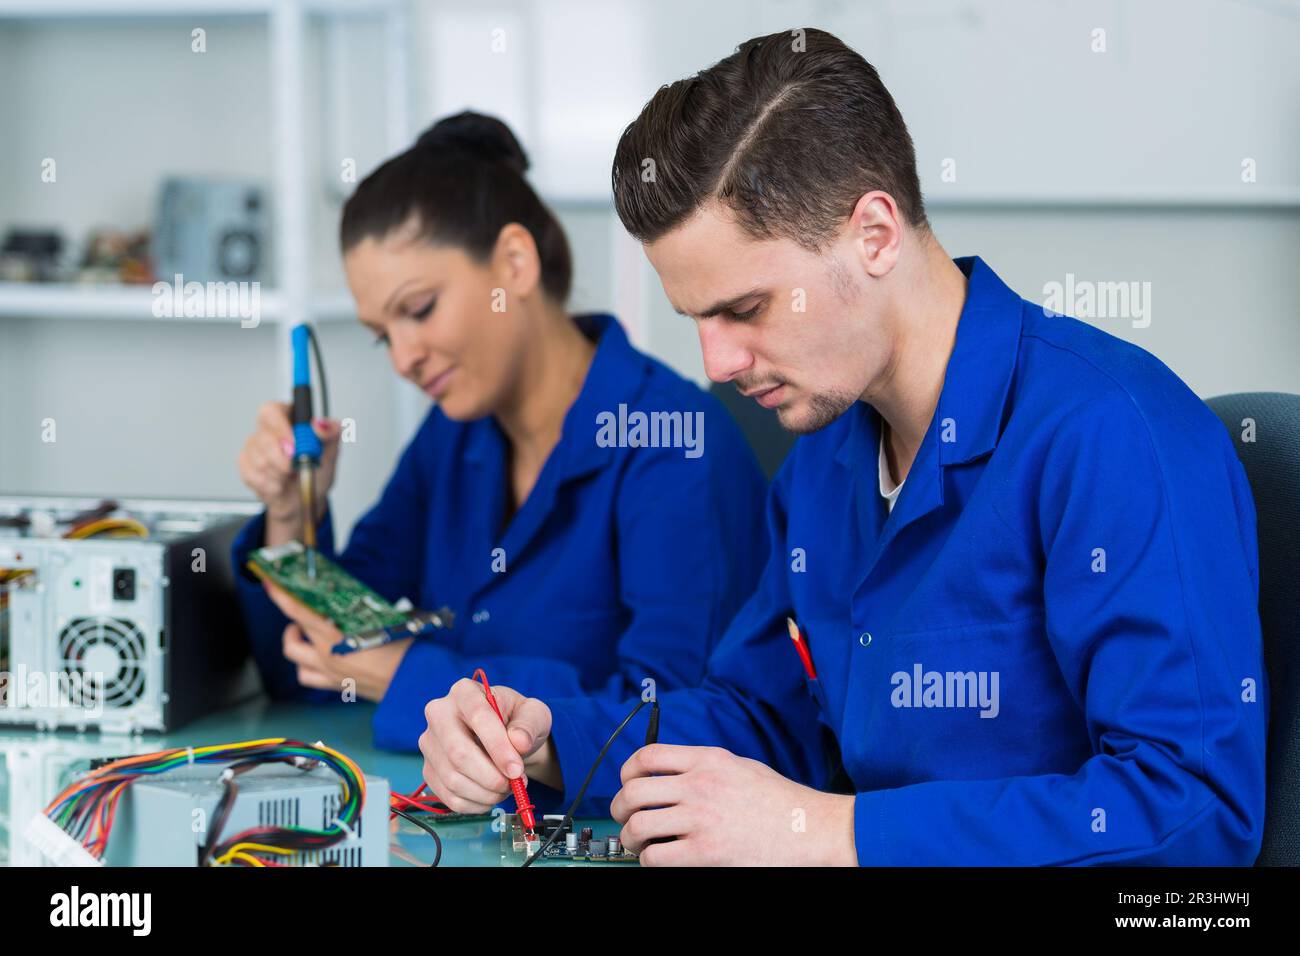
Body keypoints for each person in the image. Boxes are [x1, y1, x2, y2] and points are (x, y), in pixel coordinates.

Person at [416, 31, 1268, 865]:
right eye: (697, 321)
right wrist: (544, 741)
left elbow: (1191, 810)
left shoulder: (1110, 436)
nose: (717, 364)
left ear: (875, 234)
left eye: (744, 310)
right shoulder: (826, 454)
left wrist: (834, 835)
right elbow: (758, 716)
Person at [232, 111, 768, 752]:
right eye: (384, 338)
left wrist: (410, 676)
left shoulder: (673, 443)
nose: (404, 358)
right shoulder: (453, 437)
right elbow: (316, 666)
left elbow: (677, 719)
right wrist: (292, 516)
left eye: (419, 310)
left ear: (515, 263)